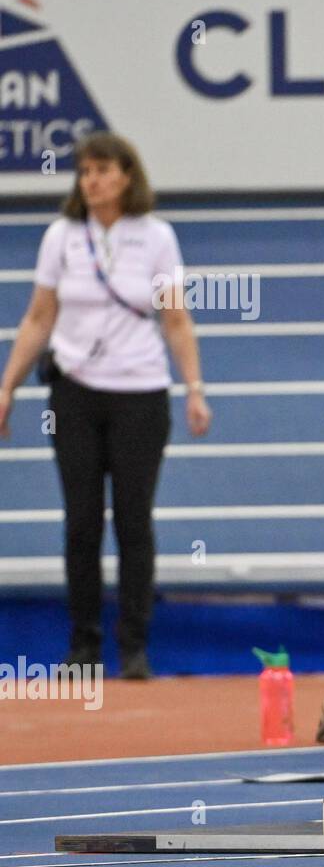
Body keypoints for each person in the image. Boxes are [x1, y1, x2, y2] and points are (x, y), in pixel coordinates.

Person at [0, 132, 211, 680]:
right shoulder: (62, 237)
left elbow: (175, 318)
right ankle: (84, 646)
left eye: (102, 170)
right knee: (81, 522)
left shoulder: (157, 237)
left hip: (140, 394)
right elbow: (38, 318)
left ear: (125, 175)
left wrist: (194, 387)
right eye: (84, 171)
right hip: (74, 392)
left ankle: (135, 646)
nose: (91, 180)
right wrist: (7, 387)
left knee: (134, 522)